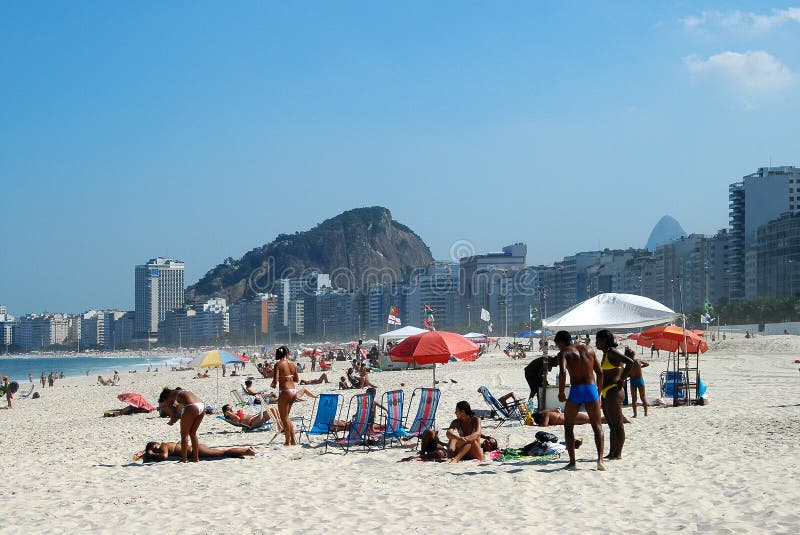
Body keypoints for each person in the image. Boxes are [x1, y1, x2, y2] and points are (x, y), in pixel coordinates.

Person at [555, 330, 605, 471]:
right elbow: (600, 373)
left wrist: (561, 392)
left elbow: (563, 372)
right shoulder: (589, 349)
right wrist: (599, 393)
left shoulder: (564, 353)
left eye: (557, 344)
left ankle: (572, 462)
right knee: (597, 426)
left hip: (576, 390)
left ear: (560, 342)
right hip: (591, 389)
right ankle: (600, 460)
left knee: (568, 426)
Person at [594, 329, 635, 461]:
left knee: (618, 425)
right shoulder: (606, 353)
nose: (596, 343)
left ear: (605, 340)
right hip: (607, 392)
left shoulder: (612, 352)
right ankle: (612, 452)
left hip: (613, 391)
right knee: (611, 425)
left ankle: (618, 453)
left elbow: (630, 362)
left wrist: (622, 379)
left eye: (598, 340)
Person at [158, 387, 206, 463]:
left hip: (191, 406)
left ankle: (184, 459)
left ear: (163, 399)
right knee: (193, 433)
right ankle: (195, 458)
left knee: (184, 435)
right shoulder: (180, 391)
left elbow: (173, 415)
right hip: (202, 406)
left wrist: (171, 422)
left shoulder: (167, 399)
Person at [272, 345, 300, 446]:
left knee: (284, 418)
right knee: (286, 417)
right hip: (293, 391)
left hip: (285, 391)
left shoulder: (278, 364)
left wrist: (273, 384)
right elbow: (296, 379)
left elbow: (275, 381)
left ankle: (288, 441)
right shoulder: (292, 364)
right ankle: (292, 440)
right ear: (287, 354)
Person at [141, 440, 257, 461]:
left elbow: (164, 456)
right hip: (196, 448)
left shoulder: (163, 446)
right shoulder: (167, 444)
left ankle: (247, 451)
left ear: (154, 445)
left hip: (195, 451)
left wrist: (152, 454)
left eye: (153, 448)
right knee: (222, 451)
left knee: (224, 452)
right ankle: (245, 450)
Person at [533, 407, 630, 427]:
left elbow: (544, 425)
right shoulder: (547, 412)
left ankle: (619, 417)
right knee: (595, 420)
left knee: (595, 420)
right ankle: (618, 417)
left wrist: (535, 425)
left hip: (573, 418)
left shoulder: (546, 415)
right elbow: (557, 409)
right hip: (572, 417)